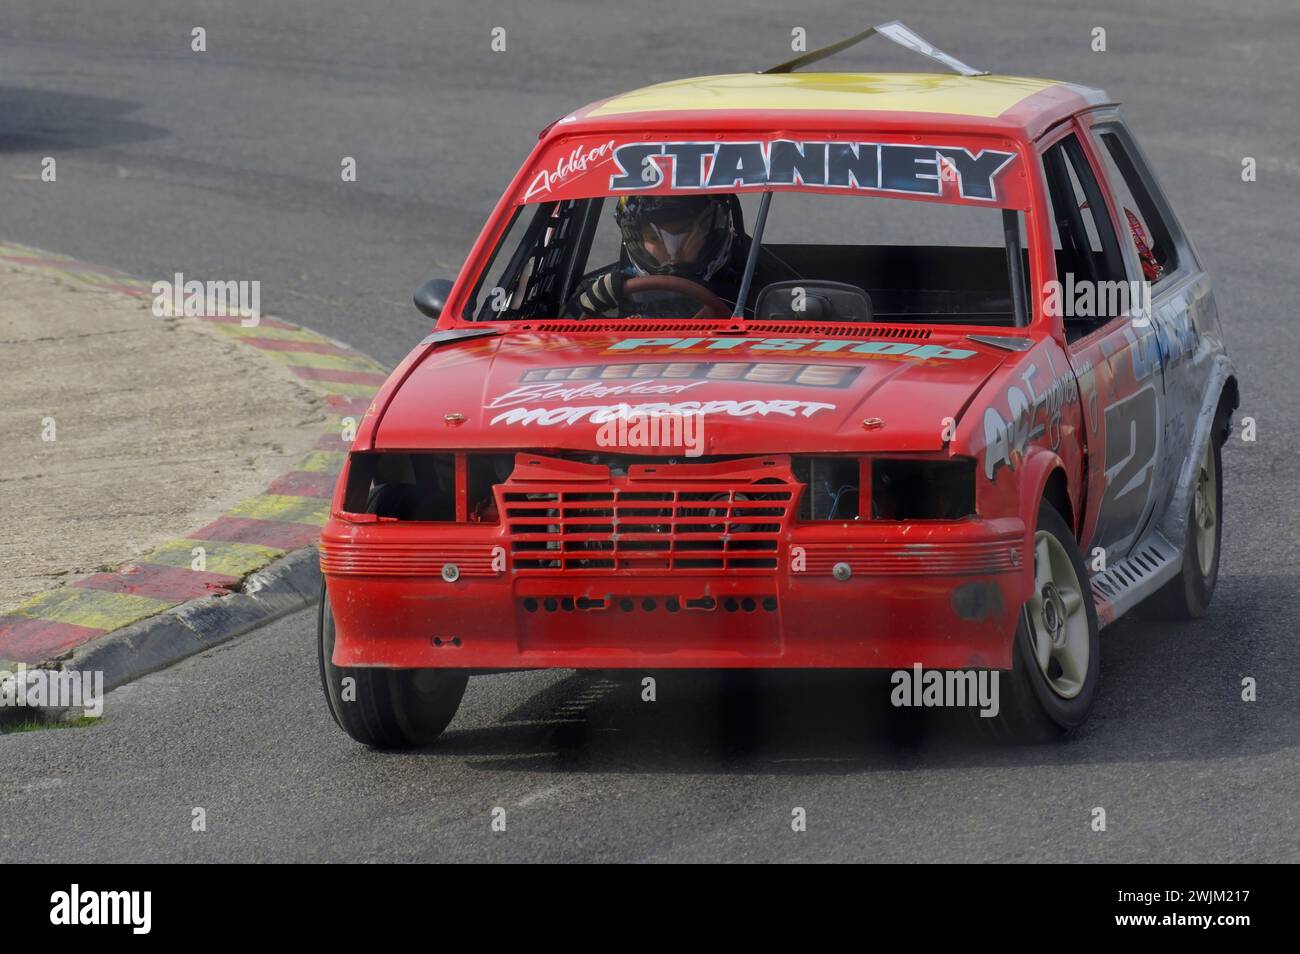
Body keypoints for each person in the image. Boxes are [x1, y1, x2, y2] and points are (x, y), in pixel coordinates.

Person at [563, 193, 792, 318]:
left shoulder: (762, 286)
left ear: (715, 228)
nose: (673, 251)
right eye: (654, 238)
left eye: (685, 234)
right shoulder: (604, 294)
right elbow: (554, 351)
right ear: (634, 238)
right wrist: (583, 309)